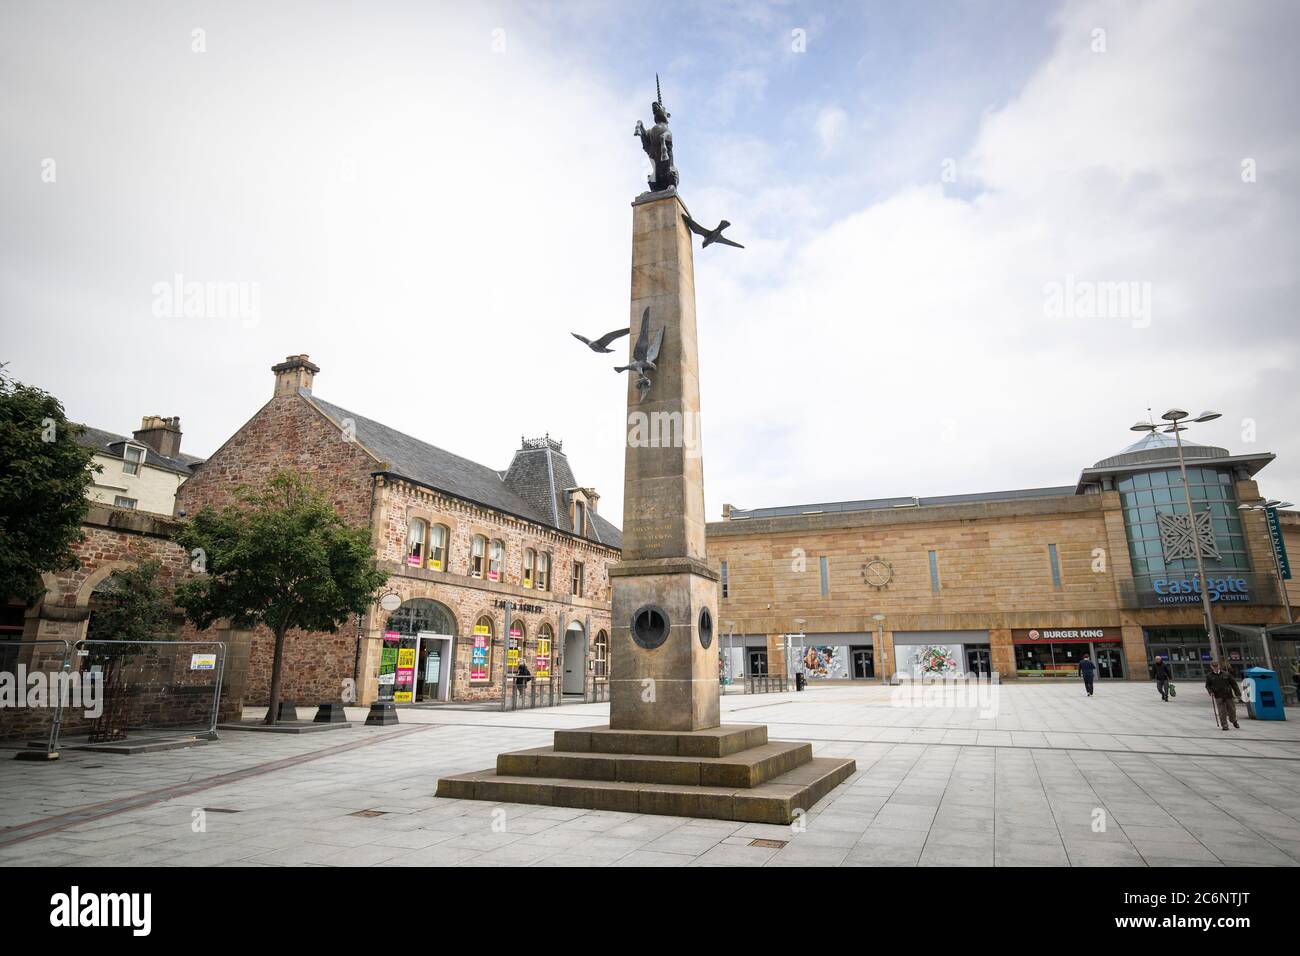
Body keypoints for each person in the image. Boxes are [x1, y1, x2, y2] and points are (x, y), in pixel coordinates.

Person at [1205, 660, 1242, 730]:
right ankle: (1224, 725)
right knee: (1222, 712)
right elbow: (1207, 686)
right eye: (1214, 666)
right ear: (1211, 667)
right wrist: (1210, 692)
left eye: (1216, 666)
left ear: (1219, 666)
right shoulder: (1209, 676)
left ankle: (1233, 720)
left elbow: (1234, 684)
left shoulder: (1226, 674)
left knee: (1232, 710)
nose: (1215, 667)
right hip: (1218, 695)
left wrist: (1238, 693)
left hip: (1228, 695)